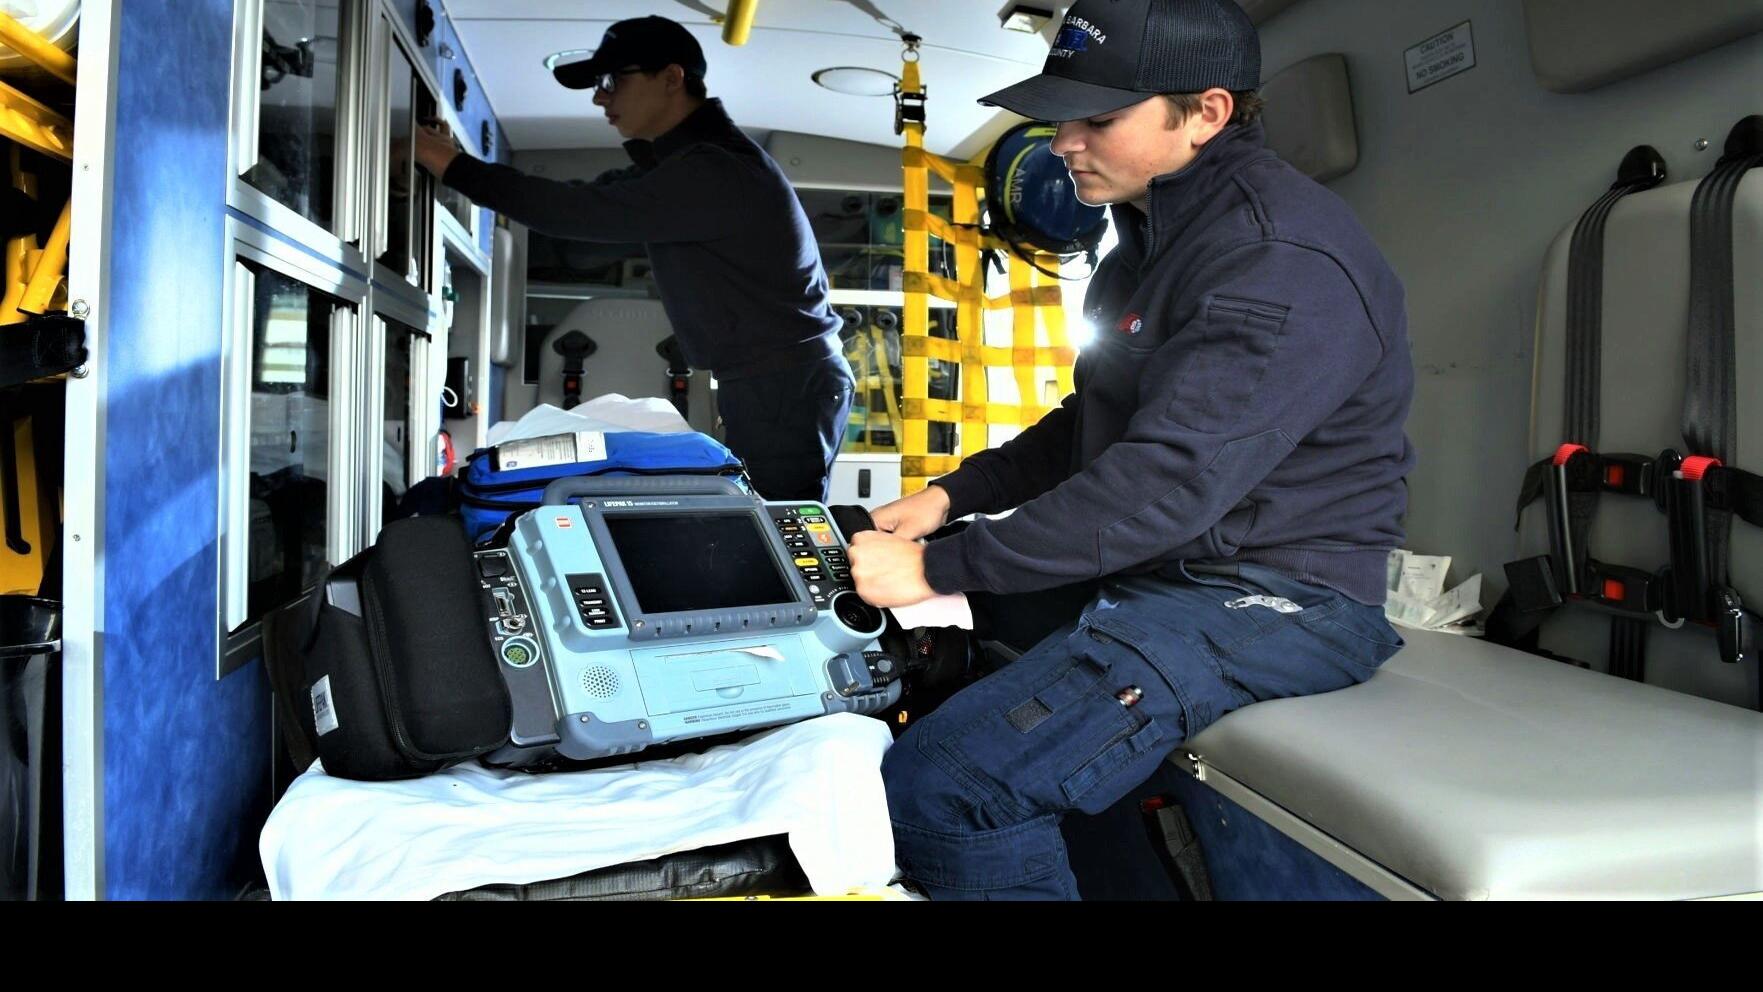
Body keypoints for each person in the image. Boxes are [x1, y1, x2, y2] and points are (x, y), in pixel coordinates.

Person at [847, 0, 1417, 900]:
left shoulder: (1273, 256)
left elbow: (1161, 488)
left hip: (1277, 599)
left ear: (1206, 113)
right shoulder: (1143, 241)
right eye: (1062, 115)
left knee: (945, 784)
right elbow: (1092, 419)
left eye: (1098, 118)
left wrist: (939, 569)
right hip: (1175, 570)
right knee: (924, 672)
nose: (1063, 141)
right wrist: (948, 499)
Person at [412, 16, 852, 501]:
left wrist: (449, 165)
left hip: (783, 384)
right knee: (754, 525)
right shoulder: (686, 167)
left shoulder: (713, 170)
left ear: (671, 78)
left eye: (611, 81)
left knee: (769, 530)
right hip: (774, 381)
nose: (600, 97)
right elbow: (581, 208)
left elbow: (574, 213)